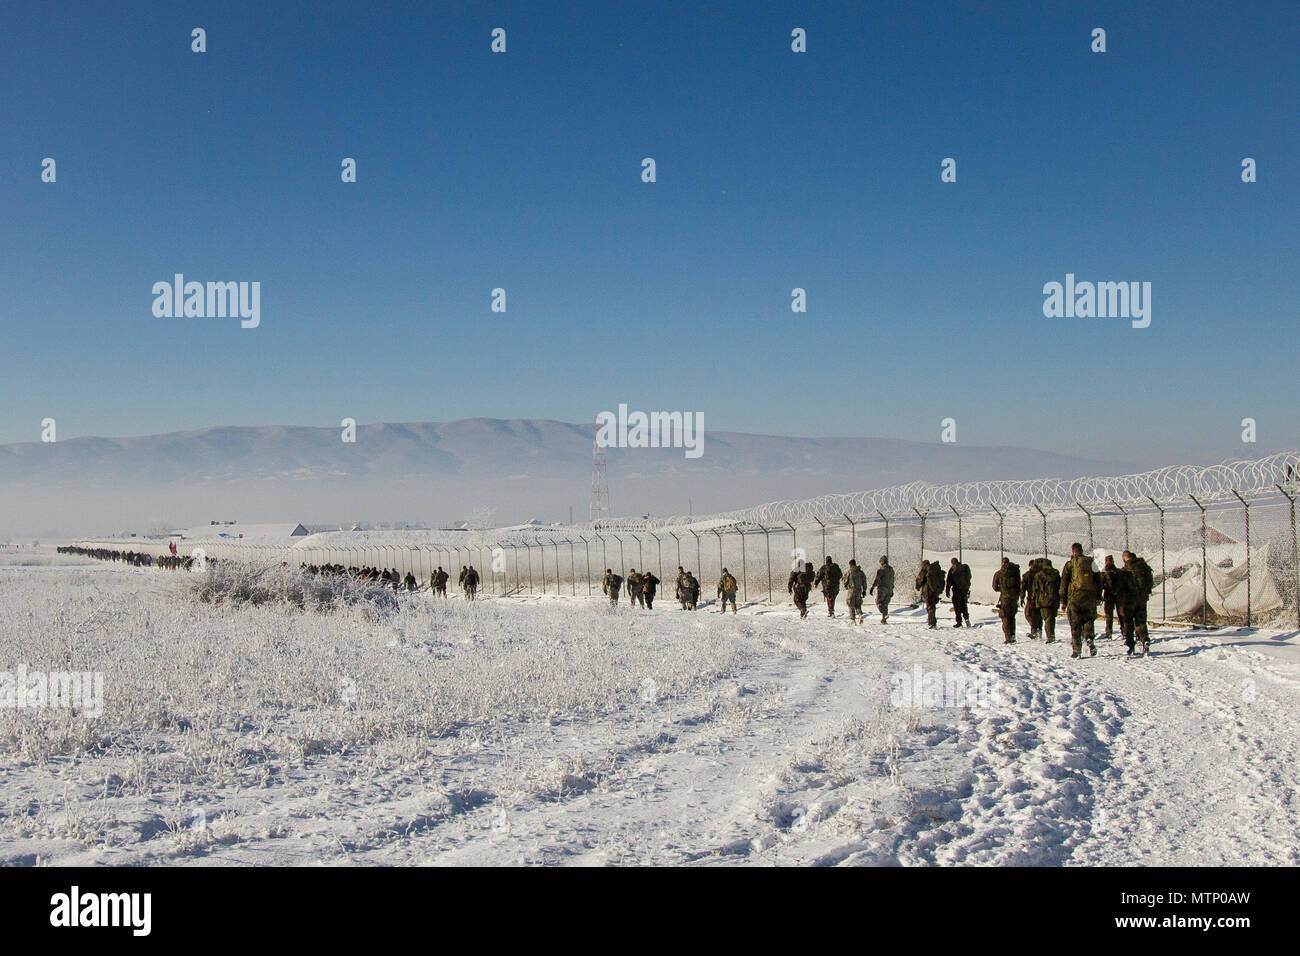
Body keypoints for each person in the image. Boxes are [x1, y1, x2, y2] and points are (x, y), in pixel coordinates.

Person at [1060, 543, 1100, 658]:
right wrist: (1098, 596)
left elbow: (1064, 583)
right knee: (1088, 620)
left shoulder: (1070, 564)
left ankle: (1077, 650)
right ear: (1082, 550)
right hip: (1089, 597)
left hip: (1075, 597)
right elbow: (1098, 580)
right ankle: (1089, 638)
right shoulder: (1092, 562)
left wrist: (1063, 600)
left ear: (1073, 552)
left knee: (1075, 623)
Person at [1122, 550, 1155, 656]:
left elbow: (1120, 587)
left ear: (1124, 558)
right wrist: (1146, 593)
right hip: (1142, 599)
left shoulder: (1125, 570)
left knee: (1129, 623)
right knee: (1141, 621)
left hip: (1129, 601)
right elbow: (1150, 581)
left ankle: (1131, 646)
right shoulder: (1143, 566)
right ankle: (1145, 639)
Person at [1031, 558, 1061, 643]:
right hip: (1054, 599)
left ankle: (1050, 637)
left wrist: (1034, 598)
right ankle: (1051, 635)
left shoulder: (1039, 575)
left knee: (1047, 618)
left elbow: (1035, 588)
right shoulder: (1056, 573)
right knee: (1051, 618)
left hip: (1043, 600)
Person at [992, 556, 1021, 644]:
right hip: (1014, 598)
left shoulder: (999, 573)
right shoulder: (1015, 572)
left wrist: (1002, 590)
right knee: (1012, 617)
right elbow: (1019, 584)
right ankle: (1013, 635)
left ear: (1002, 563)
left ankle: (1008, 638)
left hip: (1005, 598)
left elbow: (994, 587)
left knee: (1005, 617)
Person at [945, 557, 972, 627]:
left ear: (952, 563)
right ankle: (967, 619)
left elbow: (948, 581)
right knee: (964, 605)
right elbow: (969, 577)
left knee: (957, 606)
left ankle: (959, 622)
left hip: (957, 590)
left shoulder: (952, 570)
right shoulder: (964, 568)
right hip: (964, 590)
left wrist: (947, 591)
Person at [1099, 554, 1122, 639]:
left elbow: (1101, 585)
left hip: (1108, 596)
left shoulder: (1104, 573)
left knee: (1109, 616)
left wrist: (1099, 596)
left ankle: (1109, 632)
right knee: (1121, 615)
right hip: (1118, 596)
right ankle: (1124, 631)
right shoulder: (1119, 572)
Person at [1021, 558, 1043, 640]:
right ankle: (1039, 632)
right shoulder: (1041, 574)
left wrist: (1021, 598)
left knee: (1028, 614)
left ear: (1029, 566)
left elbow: (1022, 588)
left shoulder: (1027, 575)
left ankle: (1034, 631)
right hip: (1041, 598)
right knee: (1039, 615)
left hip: (1031, 599)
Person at [870, 556, 894, 623]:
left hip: (882, 588)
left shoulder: (881, 570)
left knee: (878, 602)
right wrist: (892, 589)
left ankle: (885, 614)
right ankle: (884, 619)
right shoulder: (891, 570)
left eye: (880, 561)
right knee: (885, 603)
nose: (880, 563)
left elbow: (877, 580)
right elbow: (893, 580)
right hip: (890, 588)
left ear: (882, 562)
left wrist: (872, 587)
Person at [844, 559, 867, 624]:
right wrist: (864, 590)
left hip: (851, 590)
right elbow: (864, 582)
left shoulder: (849, 572)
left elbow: (845, 581)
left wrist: (845, 586)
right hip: (859, 590)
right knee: (858, 604)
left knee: (850, 604)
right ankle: (860, 615)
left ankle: (853, 619)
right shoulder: (860, 572)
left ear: (850, 565)